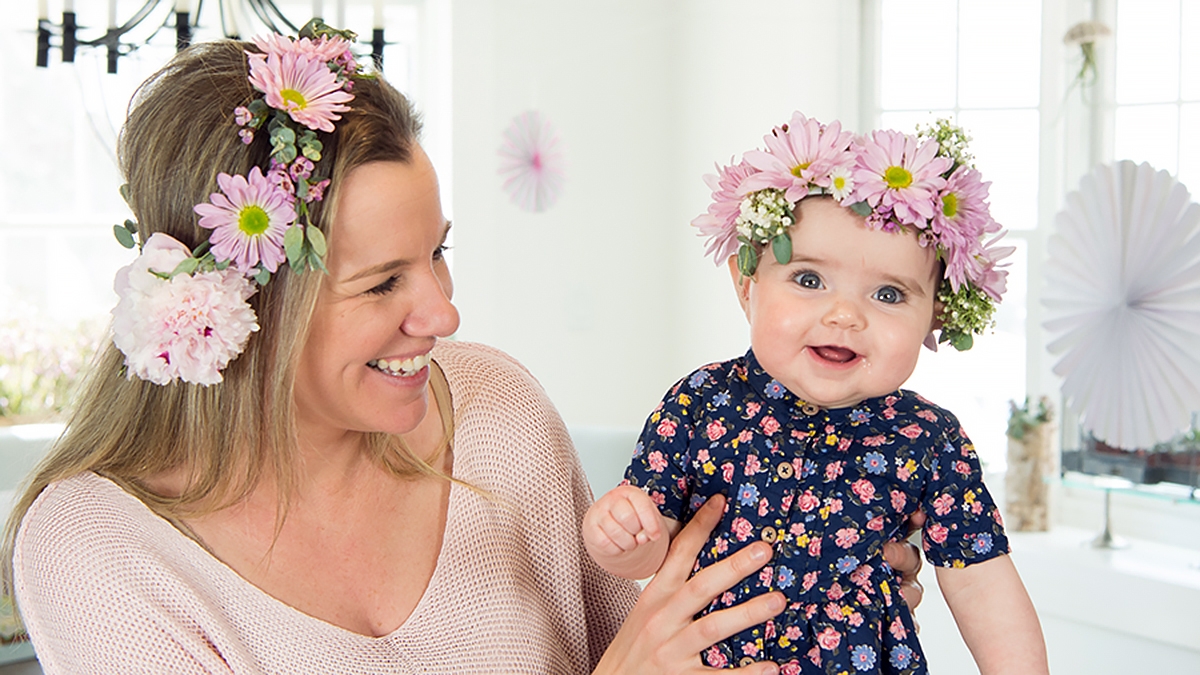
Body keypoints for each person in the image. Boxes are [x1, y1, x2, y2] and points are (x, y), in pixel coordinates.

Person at [1, 27, 924, 674]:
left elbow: (661, 633)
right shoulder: (101, 549)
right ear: (240, 299)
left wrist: (807, 583)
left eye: (438, 253)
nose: (442, 313)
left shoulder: (496, 407)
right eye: (382, 282)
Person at [583, 114, 1049, 674]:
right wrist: (619, 539)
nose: (845, 315)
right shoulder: (701, 400)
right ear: (746, 286)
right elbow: (655, 548)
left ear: (935, 314)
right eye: (808, 280)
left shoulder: (929, 438)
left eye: (888, 293)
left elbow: (982, 580)